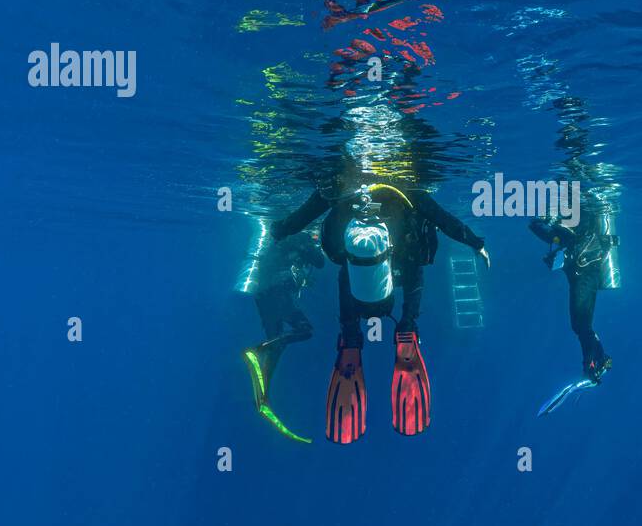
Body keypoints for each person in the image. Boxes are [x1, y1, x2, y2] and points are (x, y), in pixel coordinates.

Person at [272, 178, 489, 444]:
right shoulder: (409, 187)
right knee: (413, 271)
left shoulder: (340, 185)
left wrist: (280, 230)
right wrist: (476, 244)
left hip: (359, 274)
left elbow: (308, 212)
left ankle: (350, 339)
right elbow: (443, 219)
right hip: (401, 260)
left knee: (346, 271)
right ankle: (407, 329)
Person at [241, 230, 325, 440]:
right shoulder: (301, 238)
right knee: (305, 330)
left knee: (277, 344)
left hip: (262, 296)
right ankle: (259, 349)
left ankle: (263, 397)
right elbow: (320, 262)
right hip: (277, 296)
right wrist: (312, 242)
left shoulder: (279, 240)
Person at [529, 193, 618, 385]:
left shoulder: (581, 216)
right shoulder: (567, 222)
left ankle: (592, 363)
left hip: (585, 276)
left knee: (581, 325)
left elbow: (583, 240)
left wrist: (553, 225)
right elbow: (536, 227)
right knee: (581, 325)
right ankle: (598, 359)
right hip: (582, 275)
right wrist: (553, 229)